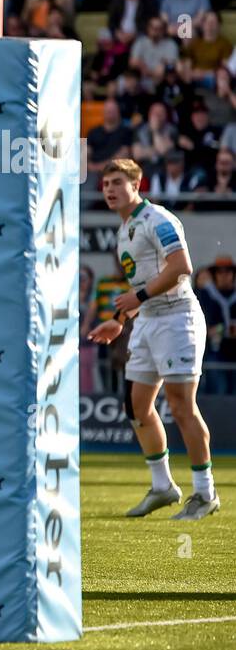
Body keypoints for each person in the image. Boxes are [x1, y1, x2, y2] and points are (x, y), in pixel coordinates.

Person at [88, 159, 218, 520]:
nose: (109, 190)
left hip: (177, 317)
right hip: (146, 320)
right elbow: (137, 290)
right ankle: (163, 487)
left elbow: (181, 268)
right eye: (104, 184)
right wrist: (119, 319)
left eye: (116, 182)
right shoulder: (124, 230)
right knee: (137, 408)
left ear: (136, 184)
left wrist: (138, 299)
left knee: (180, 405)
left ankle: (205, 494)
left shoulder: (157, 219)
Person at [198, 255, 236, 396]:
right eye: (220, 272)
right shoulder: (206, 295)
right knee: (218, 392)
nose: (224, 275)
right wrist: (210, 330)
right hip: (215, 351)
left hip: (234, 351)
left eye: (228, 271)